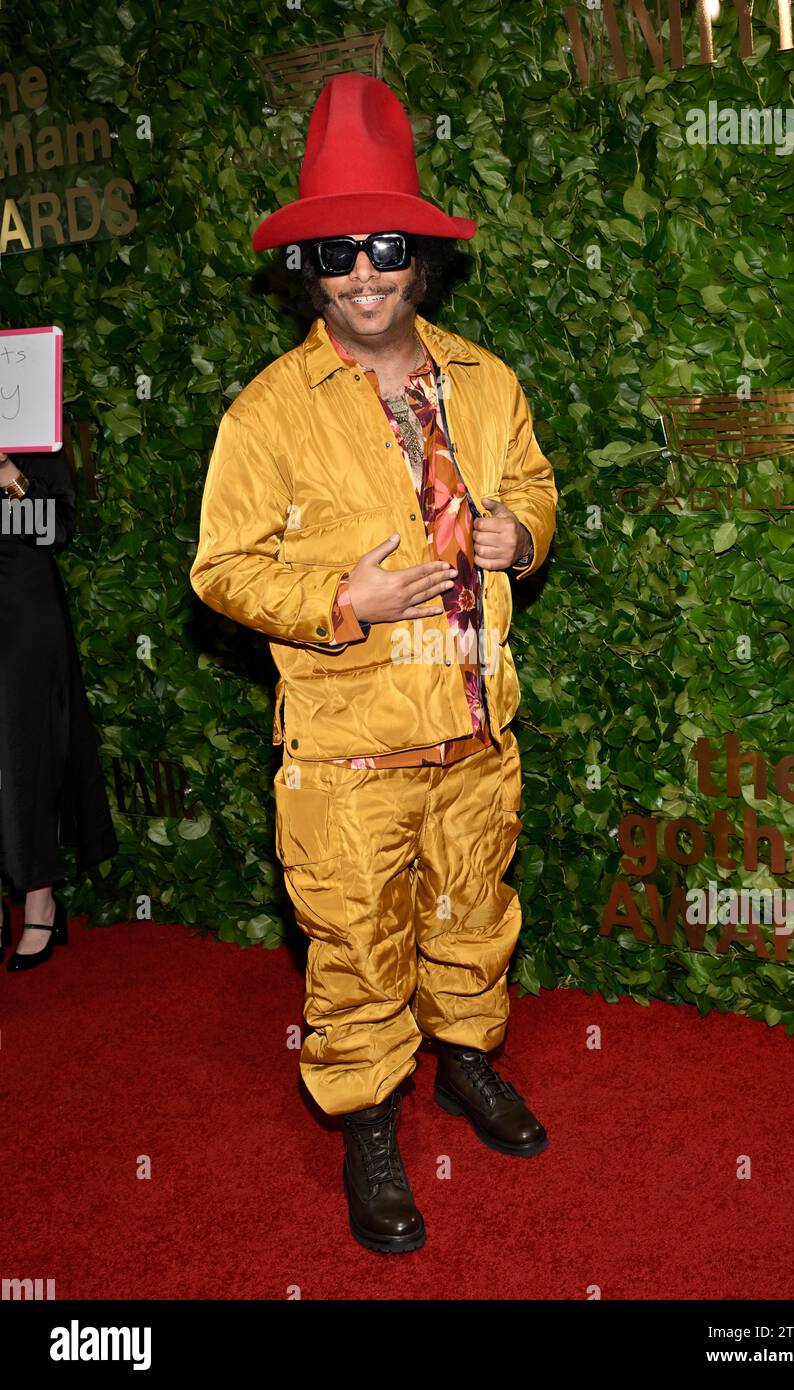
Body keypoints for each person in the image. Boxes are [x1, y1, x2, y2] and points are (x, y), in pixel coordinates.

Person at [190, 73, 557, 1254]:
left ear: (421, 257)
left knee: (473, 915)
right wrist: (338, 598)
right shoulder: (267, 412)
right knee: (355, 946)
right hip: (349, 752)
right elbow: (222, 569)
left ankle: (465, 1065)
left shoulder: (488, 383)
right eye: (337, 252)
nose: (363, 273)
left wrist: (525, 532)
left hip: (474, 724)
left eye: (385, 246)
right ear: (311, 267)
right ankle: (367, 1125)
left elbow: (539, 488)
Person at [0, 445, 118, 972]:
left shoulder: (34, 438)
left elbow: (53, 532)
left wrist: (7, 473)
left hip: (21, 613)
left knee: (27, 757)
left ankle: (40, 900)